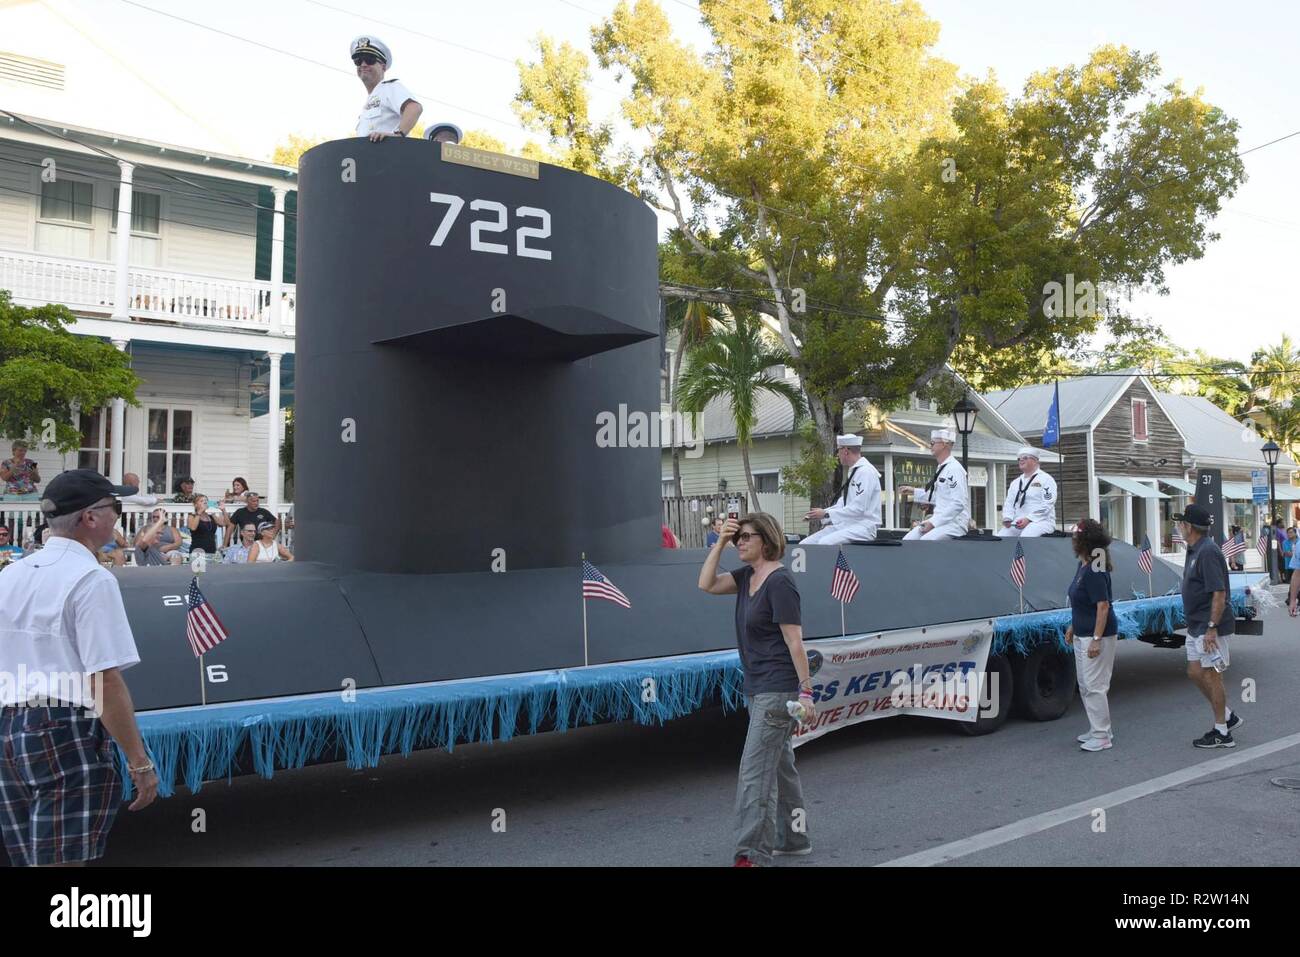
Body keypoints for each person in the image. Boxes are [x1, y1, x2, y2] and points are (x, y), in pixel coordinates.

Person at [0, 469, 158, 866]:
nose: (117, 517)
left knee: (29, 858)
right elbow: (104, 680)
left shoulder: (11, 574)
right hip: (63, 726)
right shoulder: (91, 578)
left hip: (8, 724)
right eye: (114, 508)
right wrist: (139, 762)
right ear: (89, 517)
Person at [698, 511, 814, 867]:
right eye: (738, 538)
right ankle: (794, 839)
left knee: (753, 774)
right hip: (756, 685)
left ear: (766, 540)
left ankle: (751, 855)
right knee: (780, 765)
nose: (740, 543)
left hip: (777, 690)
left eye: (746, 537)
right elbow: (707, 584)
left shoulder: (779, 582)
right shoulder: (747, 575)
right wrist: (719, 541)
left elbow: (795, 642)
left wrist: (807, 693)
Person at [1175, 505, 1243, 748]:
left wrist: (1212, 627)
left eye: (1181, 522)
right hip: (1196, 625)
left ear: (1189, 526)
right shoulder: (1193, 550)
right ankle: (1227, 715)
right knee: (1194, 672)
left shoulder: (1208, 552)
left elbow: (1219, 593)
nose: (1178, 526)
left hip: (1210, 626)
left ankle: (1222, 733)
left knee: (1213, 676)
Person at [1064, 519, 1120, 751]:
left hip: (1097, 635)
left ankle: (1102, 736)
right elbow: (1082, 602)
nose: (1073, 538)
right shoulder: (1084, 564)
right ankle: (1098, 728)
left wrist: (1096, 639)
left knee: (1095, 685)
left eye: (1076, 535)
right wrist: (1073, 626)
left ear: (1085, 541)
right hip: (1083, 632)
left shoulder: (1095, 569)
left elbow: (1103, 606)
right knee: (1086, 684)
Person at [801, 434, 882, 544]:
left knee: (825, 543)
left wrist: (826, 514)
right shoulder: (855, 472)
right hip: (848, 525)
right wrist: (823, 513)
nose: (837, 454)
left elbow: (859, 508)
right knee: (806, 544)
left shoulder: (865, 472)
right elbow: (843, 504)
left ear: (845, 451)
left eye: (838, 450)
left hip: (864, 526)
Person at [899, 429, 970, 540]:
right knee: (908, 541)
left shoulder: (954, 469)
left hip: (954, 523)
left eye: (933, 443)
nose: (930, 446)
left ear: (944, 444)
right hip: (939, 521)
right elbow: (937, 496)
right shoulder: (942, 468)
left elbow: (958, 503)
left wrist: (933, 523)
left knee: (925, 542)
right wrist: (914, 491)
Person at [352, 36, 422, 142]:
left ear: (383, 67)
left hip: (388, 155)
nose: (363, 64)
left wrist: (398, 135)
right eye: (358, 61)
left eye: (370, 60)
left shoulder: (389, 87)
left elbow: (414, 108)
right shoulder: (368, 102)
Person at [997, 447, 1058, 537]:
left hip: (1041, 521)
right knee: (1001, 537)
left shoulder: (1046, 479)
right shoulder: (1015, 482)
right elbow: (1009, 503)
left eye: (1025, 458)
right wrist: (1007, 518)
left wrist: (1029, 519)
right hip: (1018, 522)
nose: (1021, 460)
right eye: (1019, 459)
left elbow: (1047, 505)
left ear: (1035, 461)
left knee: (1026, 536)